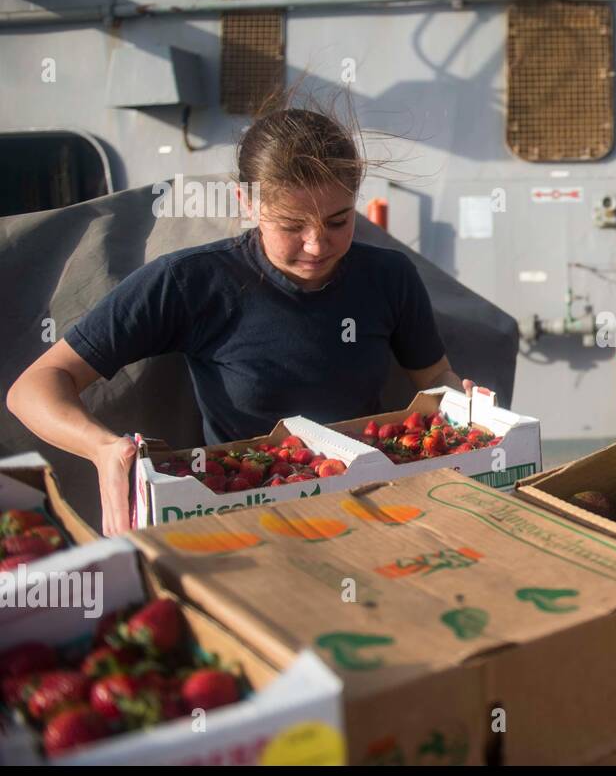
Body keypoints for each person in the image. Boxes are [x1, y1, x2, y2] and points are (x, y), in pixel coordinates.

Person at [7, 104, 477, 537]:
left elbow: (433, 374)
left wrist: (465, 408)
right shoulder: (190, 282)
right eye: (292, 225)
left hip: (372, 505)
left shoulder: (389, 276)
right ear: (248, 203)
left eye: (338, 221)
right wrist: (103, 449)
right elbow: (36, 386)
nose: (317, 245)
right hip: (246, 515)